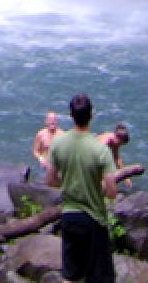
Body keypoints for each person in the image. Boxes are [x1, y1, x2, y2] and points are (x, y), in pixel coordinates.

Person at [47, 92, 120, 283]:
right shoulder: (100, 150)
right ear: (92, 115)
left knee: (70, 276)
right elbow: (112, 192)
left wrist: (70, 183)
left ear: (71, 116)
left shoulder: (57, 144)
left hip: (69, 216)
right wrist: (97, 187)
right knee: (99, 277)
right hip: (94, 219)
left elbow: (51, 180)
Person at [28, 110, 61, 181]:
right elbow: (35, 151)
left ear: (57, 121)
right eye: (50, 120)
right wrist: (40, 158)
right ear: (46, 121)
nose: (52, 122)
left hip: (57, 165)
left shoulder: (62, 135)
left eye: (54, 120)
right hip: (44, 165)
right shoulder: (41, 134)